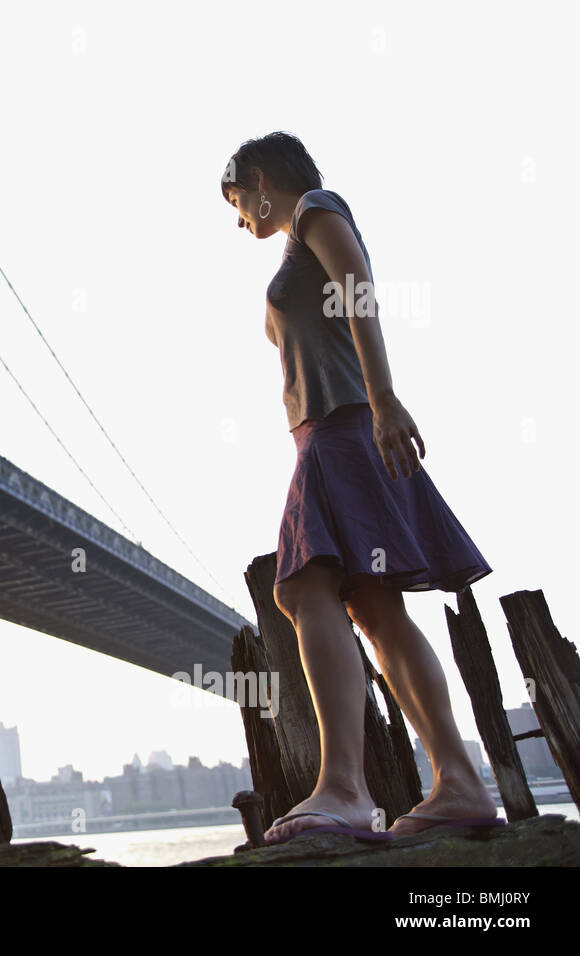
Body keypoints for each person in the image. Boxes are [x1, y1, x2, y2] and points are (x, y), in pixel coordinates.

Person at [220, 132, 503, 844]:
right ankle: (460, 782)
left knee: (302, 588)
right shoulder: (294, 246)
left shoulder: (315, 209)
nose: (239, 220)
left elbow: (357, 296)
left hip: (342, 427)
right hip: (327, 432)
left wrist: (383, 401)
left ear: (260, 180)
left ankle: (345, 788)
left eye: (237, 201)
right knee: (374, 607)